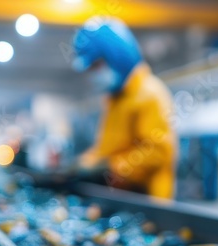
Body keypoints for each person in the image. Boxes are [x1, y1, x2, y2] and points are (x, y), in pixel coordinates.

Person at [72, 17, 177, 200]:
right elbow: (108, 149)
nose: (93, 74)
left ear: (116, 55)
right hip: (121, 197)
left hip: (148, 200)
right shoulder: (114, 100)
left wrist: (112, 168)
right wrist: (83, 164)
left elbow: (158, 153)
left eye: (96, 65)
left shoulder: (150, 94)